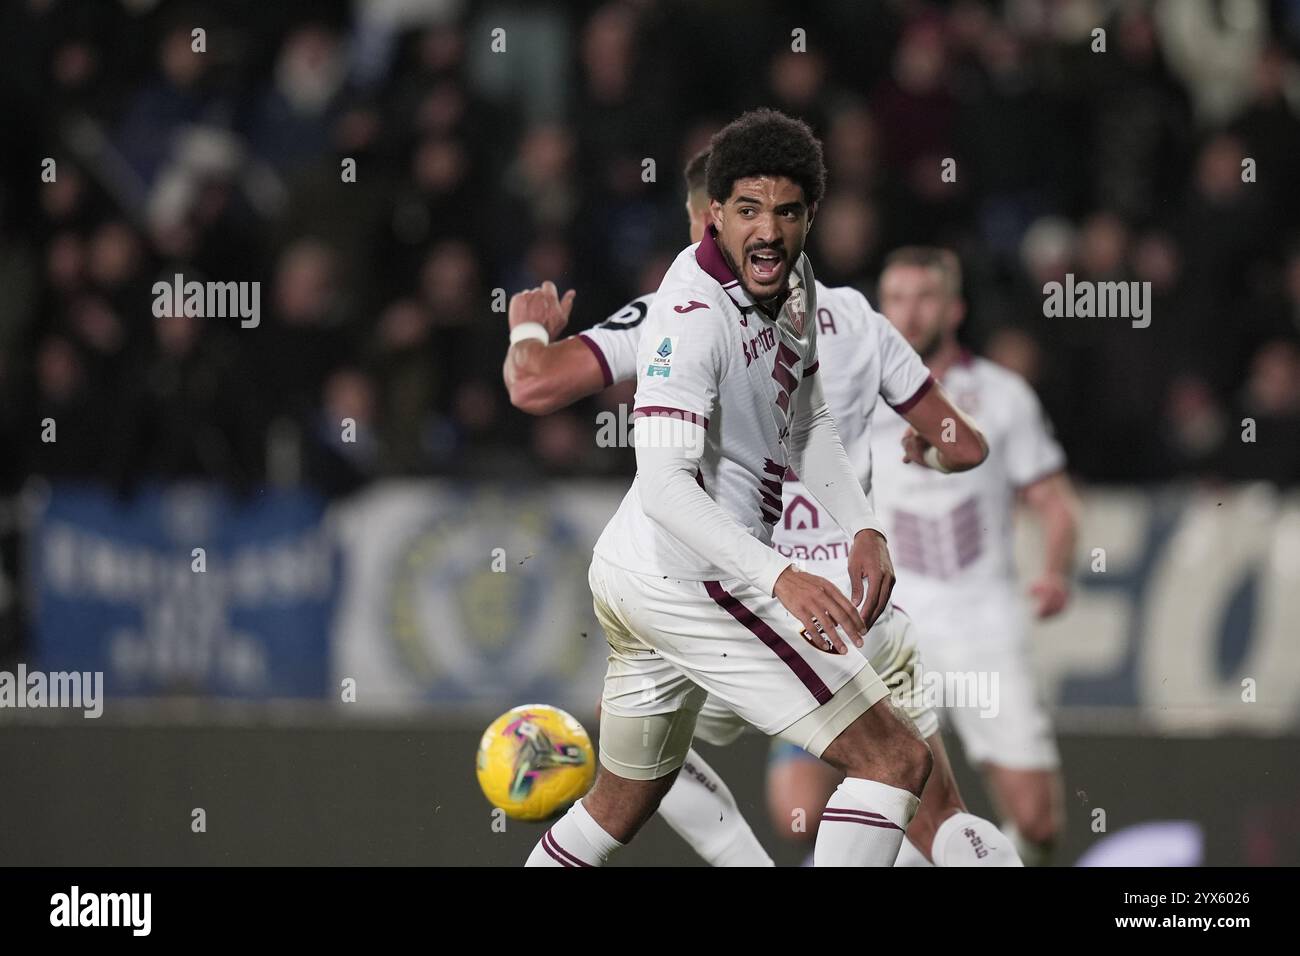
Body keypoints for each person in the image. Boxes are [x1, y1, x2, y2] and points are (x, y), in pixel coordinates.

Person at [508, 150, 1021, 867]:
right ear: (709, 217)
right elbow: (664, 489)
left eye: (787, 213)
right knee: (898, 765)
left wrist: (863, 524)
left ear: (813, 219)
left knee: (617, 806)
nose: (769, 232)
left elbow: (807, 421)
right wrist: (781, 576)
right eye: (748, 211)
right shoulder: (683, 316)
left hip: (676, 577)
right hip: (706, 584)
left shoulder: (796, 286)